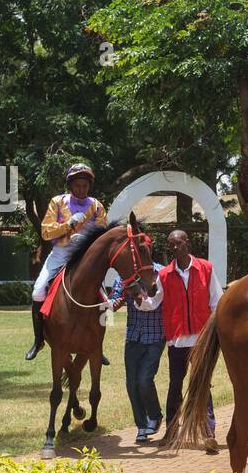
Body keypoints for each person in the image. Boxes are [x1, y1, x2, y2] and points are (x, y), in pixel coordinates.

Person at [135, 229, 223, 452]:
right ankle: (172, 430)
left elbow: (216, 301)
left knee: (202, 385)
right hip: (177, 341)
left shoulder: (205, 268)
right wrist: (139, 301)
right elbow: (154, 302)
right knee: (175, 386)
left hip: (200, 339)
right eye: (170, 244)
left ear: (187, 243)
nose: (174, 248)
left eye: (178, 243)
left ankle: (208, 433)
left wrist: (213, 335)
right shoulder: (164, 274)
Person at [25, 163, 107, 361]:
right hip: (61, 252)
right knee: (38, 291)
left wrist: (87, 237)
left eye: (85, 186)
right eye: (78, 185)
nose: (82, 189)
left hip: (85, 256)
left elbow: (103, 233)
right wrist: (68, 225)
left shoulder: (96, 206)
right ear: (71, 185)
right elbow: (46, 231)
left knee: (105, 300)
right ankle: (38, 340)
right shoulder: (57, 202)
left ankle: (99, 345)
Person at [109, 261, 166, 444]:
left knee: (144, 380)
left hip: (155, 335)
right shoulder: (123, 276)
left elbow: (155, 302)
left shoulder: (160, 273)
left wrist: (137, 295)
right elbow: (112, 302)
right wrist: (114, 303)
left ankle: (155, 416)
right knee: (132, 383)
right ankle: (141, 426)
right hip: (133, 336)